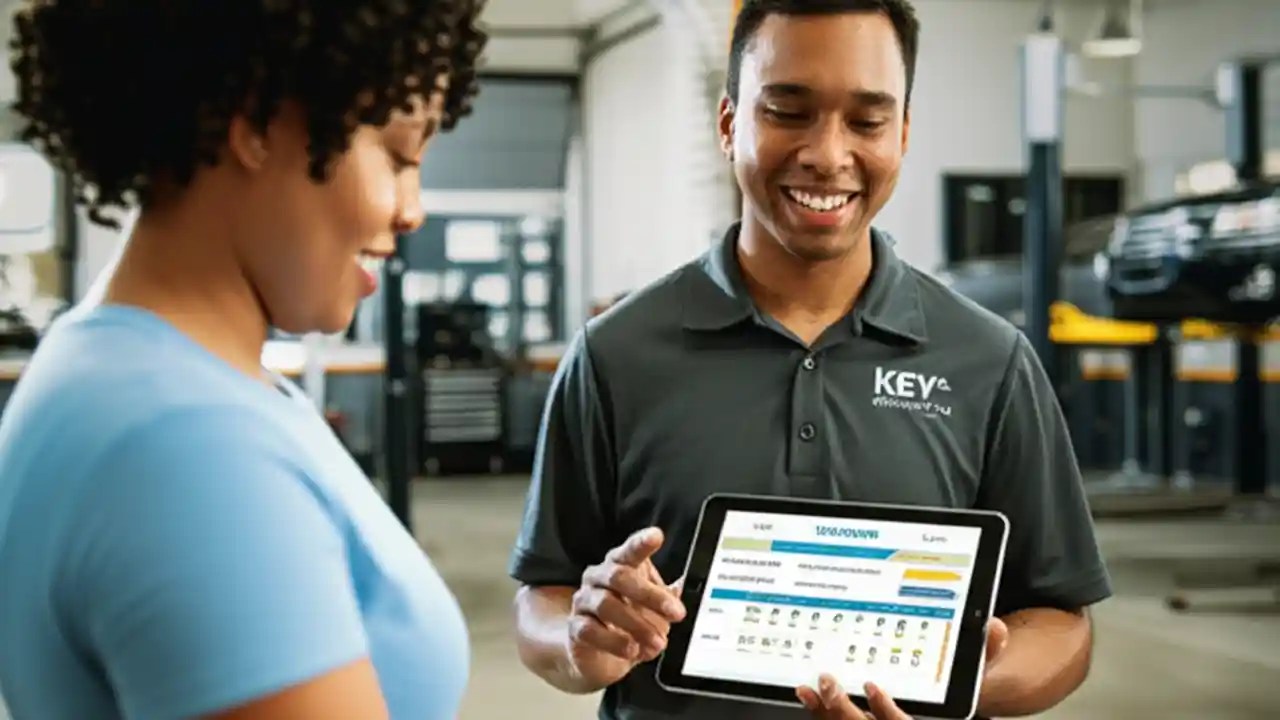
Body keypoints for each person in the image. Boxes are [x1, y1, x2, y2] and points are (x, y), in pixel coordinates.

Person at [508, 1, 1110, 719]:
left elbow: (1063, 619)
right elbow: (544, 592)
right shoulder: (615, 354)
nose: (828, 154)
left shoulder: (989, 360)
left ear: (902, 134)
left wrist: (956, 690)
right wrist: (579, 640)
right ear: (729, 124)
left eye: (867, 121)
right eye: (787, 112)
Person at [0, 2, 486, 719]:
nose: (411, 210)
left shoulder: (133, 374)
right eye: (398, 156)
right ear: (258, 123)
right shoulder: (184, 446)